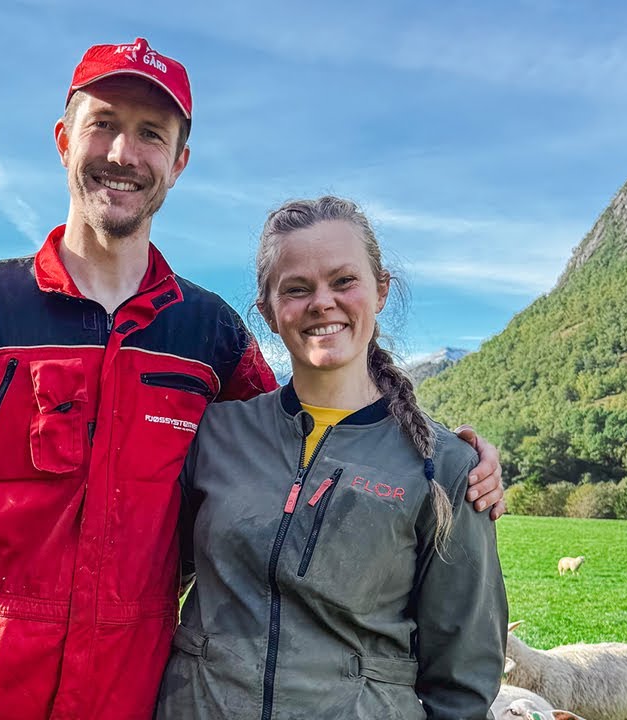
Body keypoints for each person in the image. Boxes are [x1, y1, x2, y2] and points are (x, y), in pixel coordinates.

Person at [0, 40, 506, 720]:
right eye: (103, 124)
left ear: (179, 162)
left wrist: (445, 457)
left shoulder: (209, 336)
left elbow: (305, 433)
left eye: (151, 134)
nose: (123, 153)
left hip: (131, 692)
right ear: (63, 139)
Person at [156, 196, 508, 720]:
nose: (322, 303)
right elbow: (147, 572)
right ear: (268, 313)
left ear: (381, 291)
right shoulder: (215, 434)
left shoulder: (448, 469)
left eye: (344, 281)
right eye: (297, 288)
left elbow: (463, 681)